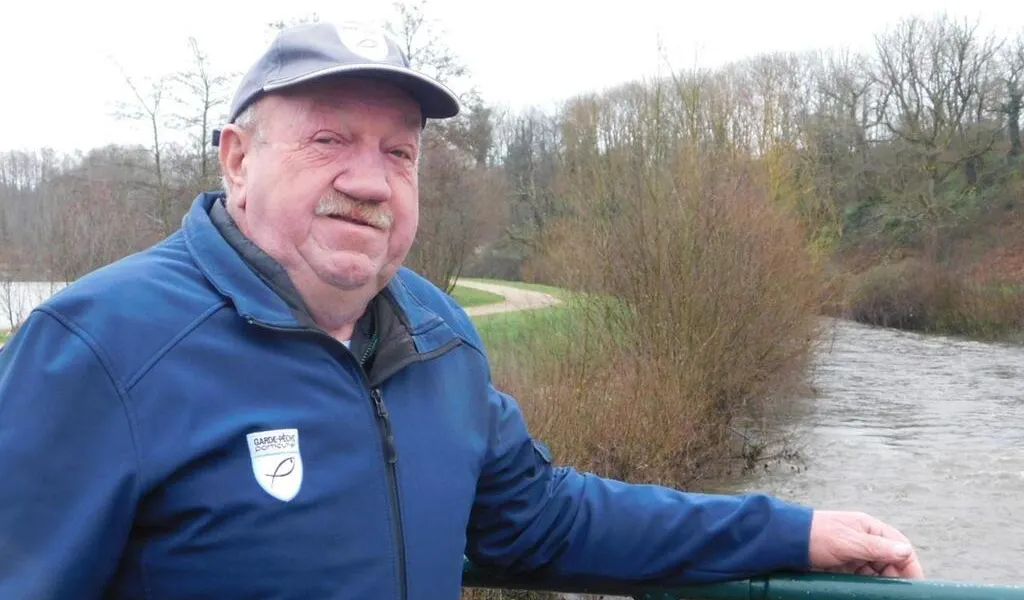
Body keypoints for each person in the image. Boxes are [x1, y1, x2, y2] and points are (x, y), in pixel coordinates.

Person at [0, 21, 923, 599]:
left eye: (399, 154)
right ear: (237, 159)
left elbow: (548, 522)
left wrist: (795, 533)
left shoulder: (436, 335)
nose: (368, 180)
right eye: (329, 140)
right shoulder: (96, 347)